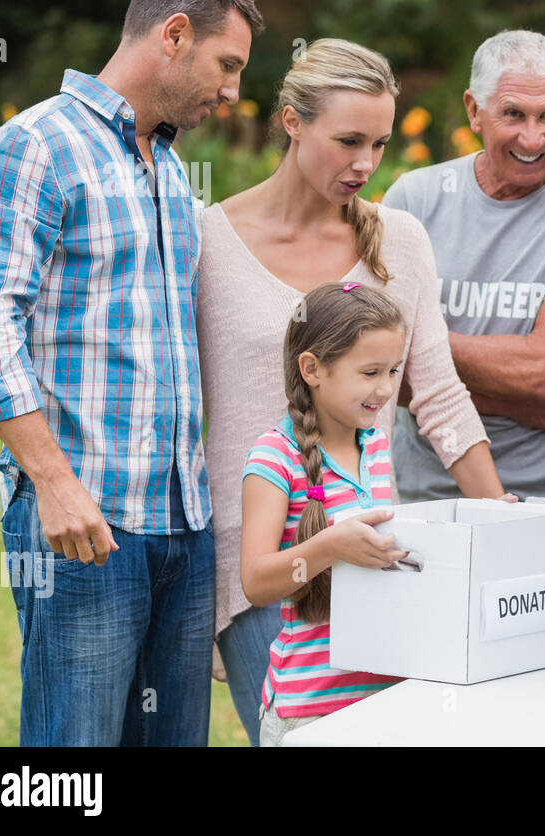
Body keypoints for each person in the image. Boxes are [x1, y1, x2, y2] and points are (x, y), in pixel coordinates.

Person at [0, 0, 263, 745]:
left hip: (182, 529)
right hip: (84, 527)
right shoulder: (36, 147)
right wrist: (52, 484)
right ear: (175, 34)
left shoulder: (170, 176)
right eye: (227, 66)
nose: (231, 92)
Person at [198, 38, 506, 745]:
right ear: (291, 121)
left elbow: (438, 393)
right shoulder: (209, 240)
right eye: (348, 141)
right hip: (256, 565)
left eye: (379, 143)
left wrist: (499, 520)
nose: (366, 165)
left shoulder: (398, 240)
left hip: (368, 556)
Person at [384, 30, 545, 501]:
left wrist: (414, 342)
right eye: (513, 114)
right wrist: (505, 403)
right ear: (474, 111)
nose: (532, 137)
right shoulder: (413, 199)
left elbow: (541, 369)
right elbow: (371, 368)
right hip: (421, 492)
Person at [240, 282, 410, 746]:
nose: (386, 388)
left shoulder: (373, 443)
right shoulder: (274, 458)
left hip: (383, 701)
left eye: (394, 370)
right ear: (313, 369)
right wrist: (330, 546)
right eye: (370, 371)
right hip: (311, 714)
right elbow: (256, 582)